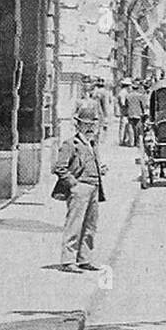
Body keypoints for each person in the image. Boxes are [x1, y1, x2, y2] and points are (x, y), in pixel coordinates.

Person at [52, 103, 106, 273]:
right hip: (80, 188)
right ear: (78, 125)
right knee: (74, 226)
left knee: (90, 226)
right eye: (86, 124)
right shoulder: (71, 144)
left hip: (94, 188)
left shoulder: (93, 144)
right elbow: (60, 167)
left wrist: (100, 170)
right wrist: (73, 184)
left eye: (93, 124)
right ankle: (68, 261)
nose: (90, 128)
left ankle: (85, 259)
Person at [122, 80, 147, 147]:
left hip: (130, 113)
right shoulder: (140, 96)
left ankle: (131, 142)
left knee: (131, 129)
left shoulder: (128, 95)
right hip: (138, 114)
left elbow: (126, 105)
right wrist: (144, 112)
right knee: (139, 129)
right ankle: (138, 142)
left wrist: (126, 112)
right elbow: (143, 105)